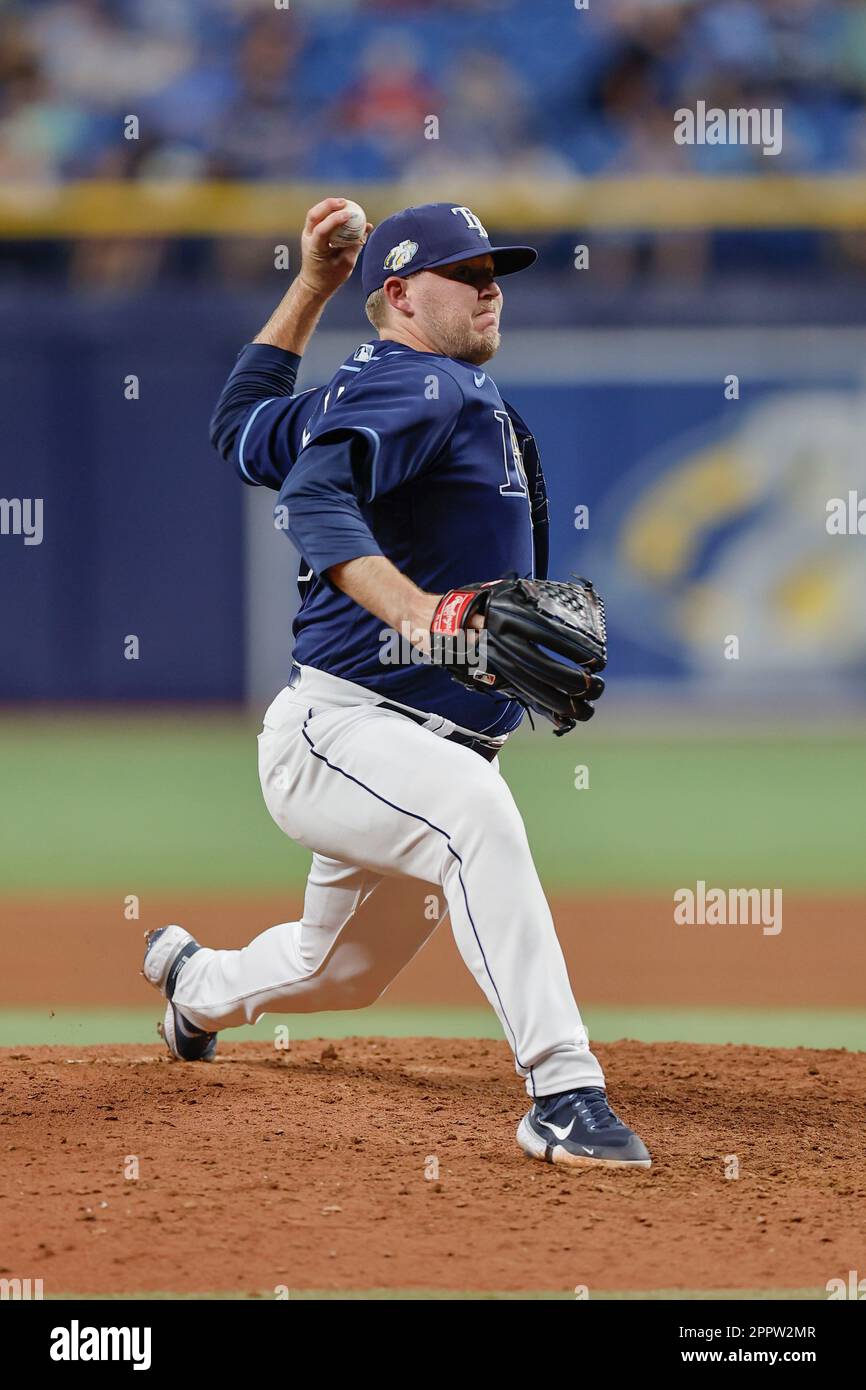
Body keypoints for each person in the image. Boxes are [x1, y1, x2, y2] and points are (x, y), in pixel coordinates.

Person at [142, 197, 651, 1170]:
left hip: (392, 741)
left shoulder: (380, 387)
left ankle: (193, 985)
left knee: (334, 972)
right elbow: (310, 497)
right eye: (466, 272)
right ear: (401, 295)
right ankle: (561, 1091)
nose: (490, 285)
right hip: (343, 734)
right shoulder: (420, 386)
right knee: (475, 814)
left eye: (494, 269)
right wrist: (420, 612)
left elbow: (239, 425)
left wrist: (307, 287)